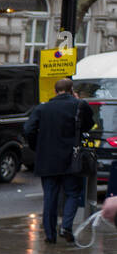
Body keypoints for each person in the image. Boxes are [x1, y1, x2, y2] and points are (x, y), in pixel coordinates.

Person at [25, 77, 95, 244]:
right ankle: (66, 226)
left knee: (50, 196)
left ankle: (50, 234)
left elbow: (28, 129)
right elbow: (88, 125)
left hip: (47, 159)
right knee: (72, 193)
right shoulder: (79, 105)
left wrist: (37, 146)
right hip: (72, 157)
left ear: (55, 91)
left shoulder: (42, 108)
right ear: (71, 90)